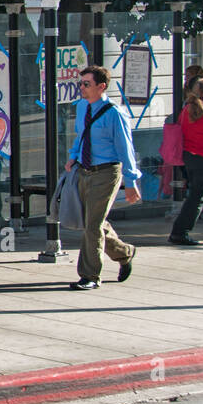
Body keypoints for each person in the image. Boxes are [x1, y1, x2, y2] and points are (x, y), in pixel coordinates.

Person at [64, 65, 140, 290]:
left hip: (107, 172)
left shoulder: (114, 113)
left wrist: (131, 182)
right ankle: (125, 253)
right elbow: (80, 136)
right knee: (93, 222)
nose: (82, 88)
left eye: (86, 84)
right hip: (84, 171)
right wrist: (73, 157)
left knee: (93, 225)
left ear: (101, 86)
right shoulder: (81, 108)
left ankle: (90, 275)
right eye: (81, 83)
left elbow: (125, 148)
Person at [169, 77, 203, 246]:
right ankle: (179, 231)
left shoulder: (187, 110)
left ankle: (179, 231)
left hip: (190, 157)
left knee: (201, 194)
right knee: (197, 197)